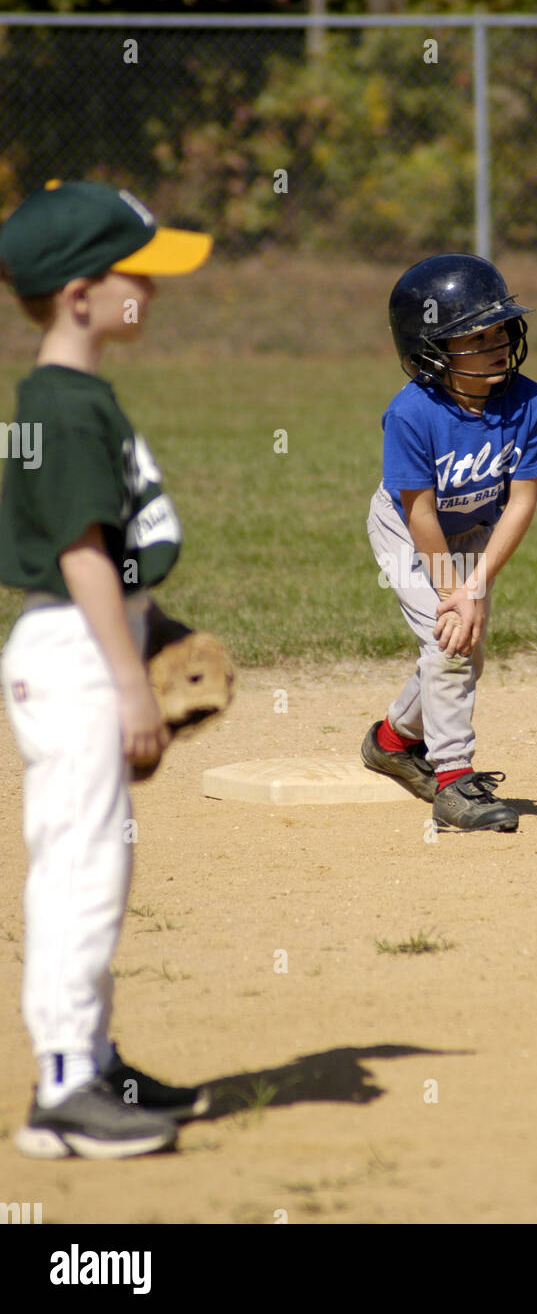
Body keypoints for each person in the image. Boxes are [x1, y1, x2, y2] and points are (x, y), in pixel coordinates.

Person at [0, 179, 212, 1158]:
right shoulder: (66, 406)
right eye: (139, 274)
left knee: (97, 865)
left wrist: (152, 624)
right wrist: (132, 680)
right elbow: (81, 553)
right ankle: (63, 1090)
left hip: (86, 642)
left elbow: (98, 554)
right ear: (80, 295)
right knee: (81, 870)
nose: (154, 292)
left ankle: (91, 1054)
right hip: (80, 660)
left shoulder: (65, 397)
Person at [362, 253, 537, 832]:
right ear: (430, 351)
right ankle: (453, 783)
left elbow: (522, 502)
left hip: (478, 527)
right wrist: (455, 590)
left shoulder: (530, 402)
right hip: (408, 529)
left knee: (464, 645)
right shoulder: (411, 414)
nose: (498, 342)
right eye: (476, 336)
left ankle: (390, 741)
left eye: (500, 328)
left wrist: (472, 587)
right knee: (451, 644)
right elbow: (419, 511)